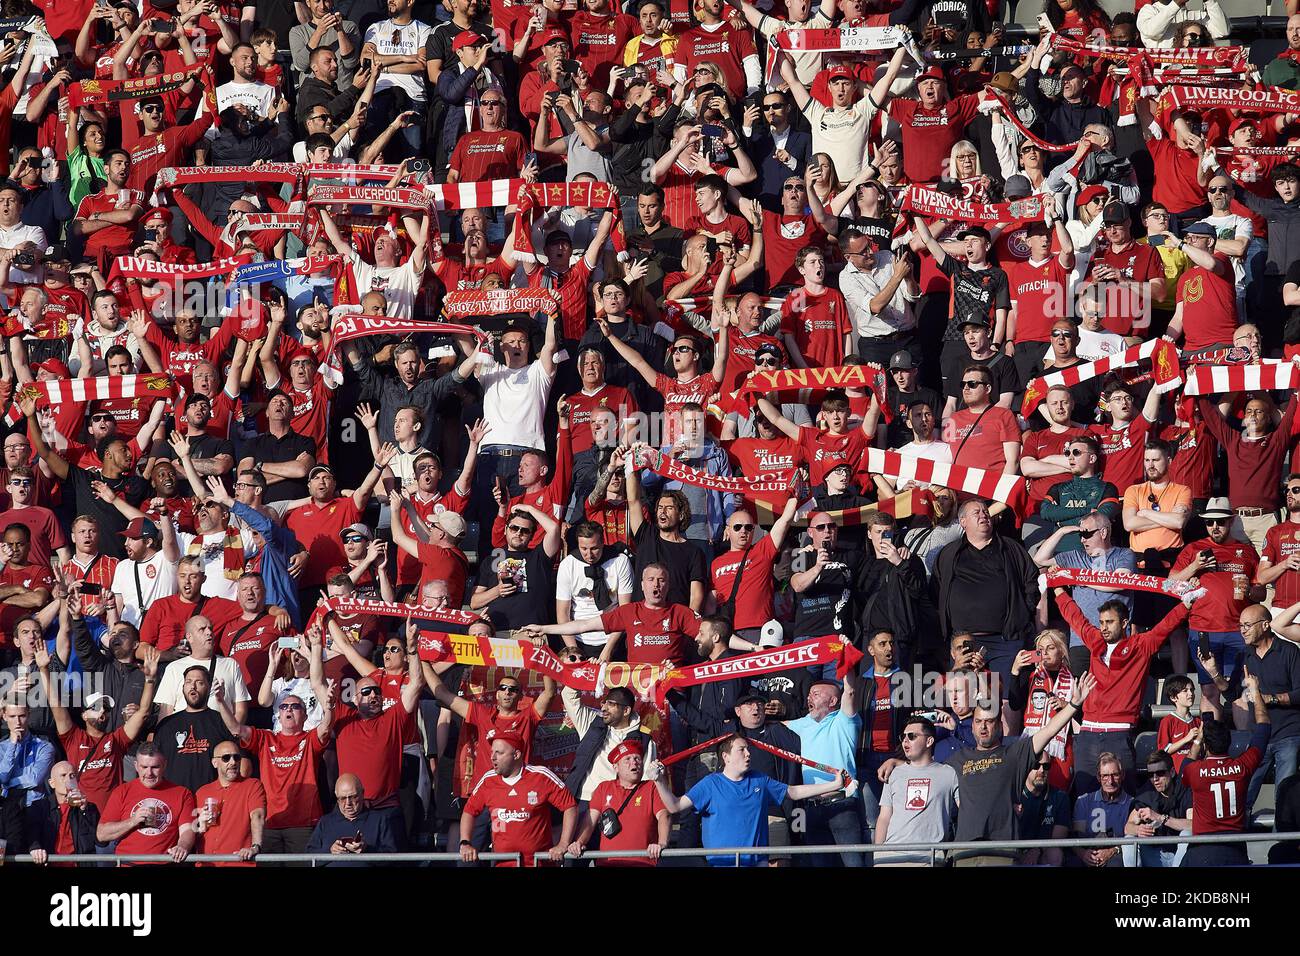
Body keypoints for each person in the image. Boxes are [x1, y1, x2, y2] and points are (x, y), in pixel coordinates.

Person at [1054, 585, 1196, 793]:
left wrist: (1185, 605)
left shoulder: (1142, 645)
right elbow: (1076, 618)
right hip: (1088, 733)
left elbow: (1165, 626)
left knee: (1124, 796)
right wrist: (1058, 590)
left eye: (1109, 622)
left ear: (1124, 623)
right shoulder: (1095, 642)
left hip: (1119, 733)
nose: (1103, 627)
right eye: (1101, 622)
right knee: (1085, 795)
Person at [216, 625, 334, 857]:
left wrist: (329, 707)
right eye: (284, 707)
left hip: (303, 823)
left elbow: (326, 726)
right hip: (270, 821)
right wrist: (221, 703)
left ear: (304, 714)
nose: (289, 710)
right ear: (278, 714)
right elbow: (236, 728)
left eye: (295, 707)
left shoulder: (309, 738)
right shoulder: (265, 738)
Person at [648, 733, 848, 867]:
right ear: (725, 757)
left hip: (758, 863)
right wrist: (659, 781)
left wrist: (834, 785)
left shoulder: (759, 779)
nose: (748, 753)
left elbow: (793, 792)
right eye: (741, 750)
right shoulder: (710, 784)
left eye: (748, 749)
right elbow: (674, 806)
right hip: (722, 864)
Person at [934, 499, 1040, 698]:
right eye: (977, 513)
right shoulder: (949, 553)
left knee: (1007, 696)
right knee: (965, 698)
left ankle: (1009, 731)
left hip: (1005, 640)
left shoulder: (1012, 549)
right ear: (963, 521)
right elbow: (936, 591)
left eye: (985, 511)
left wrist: (1023, 612)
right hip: (964, 641)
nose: (984, 515)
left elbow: (1032, 583)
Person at [1180, 675, 1270, 866]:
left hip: (1202, 849)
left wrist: (1198, 740)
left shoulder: (1195, 771)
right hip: (1234, 848)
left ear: (1207, 746)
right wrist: (1254, 690)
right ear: (1230, 742)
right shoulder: (1242, 766)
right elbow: (1264, 728)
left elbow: (1185, 765)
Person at [459, 734, 577, 867]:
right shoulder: (488, 780)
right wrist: (465, 843)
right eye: (492, 752)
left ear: (516, 755)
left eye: (499, 753)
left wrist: (563, 843)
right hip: (502, 864)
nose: (493, 757)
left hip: (538, 863)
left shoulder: (540, 776)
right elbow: (469, 811)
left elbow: (570, 806)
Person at [566, 740, 669, 867]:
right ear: (616, 767)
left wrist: (661, 843)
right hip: (608, 862)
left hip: (642, 863)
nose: (634, 762)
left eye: (637, 758)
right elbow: (590, 820)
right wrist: (579, 842)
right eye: (628, 759)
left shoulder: (652, 787)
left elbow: (664, 815)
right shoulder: (604, 788)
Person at [873, 716, 959, 867]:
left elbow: (966, 808)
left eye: (912, 736)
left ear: (929, 741)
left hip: (929, 857)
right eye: (903, 736)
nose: (905, 740)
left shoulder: (949, 773)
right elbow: (884, 817)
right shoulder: (894, 773)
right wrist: (878, 853)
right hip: (890, 857)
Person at [97, 743, 197, 864]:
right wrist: (133, 821)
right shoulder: (122, 791)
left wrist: (182, 846)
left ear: (164, 765)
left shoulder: (182, 793)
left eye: (155, 767)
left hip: (165, 863)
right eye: (144, 767)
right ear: (136, 766)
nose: (149, 773)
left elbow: (187, 830)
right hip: (128, 864)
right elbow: (102, 834)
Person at [192, 740, 267, 867]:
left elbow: (257, 816)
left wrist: (255, 847)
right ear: (215, 763)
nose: (233, 762)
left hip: (239, 862)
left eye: (237, 757)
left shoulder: (252, 785)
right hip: (207, 863)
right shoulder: (202, 792)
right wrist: (201, 825)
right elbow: (191, 831)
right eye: (226, 758)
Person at [305, 774, 402, 865]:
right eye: (342, 798)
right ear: (336, 798)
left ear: (362, 794)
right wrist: (330, 852)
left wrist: (367, 850)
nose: (348, 803)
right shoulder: (325, 822)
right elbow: (308, 859)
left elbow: (392, 858)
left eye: (353, 797)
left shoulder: (379, 820)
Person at [1125, 749, 1193, 868]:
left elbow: (1193, 825)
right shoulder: (1146, 794)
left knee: (1187, 833)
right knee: (1129, 841)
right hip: (1154, 855)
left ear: (1172, 772)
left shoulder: (1185, 790)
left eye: (1160, 773)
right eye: (1151, 775)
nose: (1155, 779)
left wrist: (1160, 818)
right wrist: (1138, 829)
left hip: (1180, 855)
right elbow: (1128, 827)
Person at [1070, 753, 1132, 868]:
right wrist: (1082, 853)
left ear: (1122, 775)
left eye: (1115, 775)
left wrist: (1113, 851)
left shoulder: (1132, 804)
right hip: (1088, 854)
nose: (1110, 781)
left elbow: (1133, 840)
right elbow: (1074, 838)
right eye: (1105, 776)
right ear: (1098, 777)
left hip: (1116, 856)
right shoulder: (1083, 802)